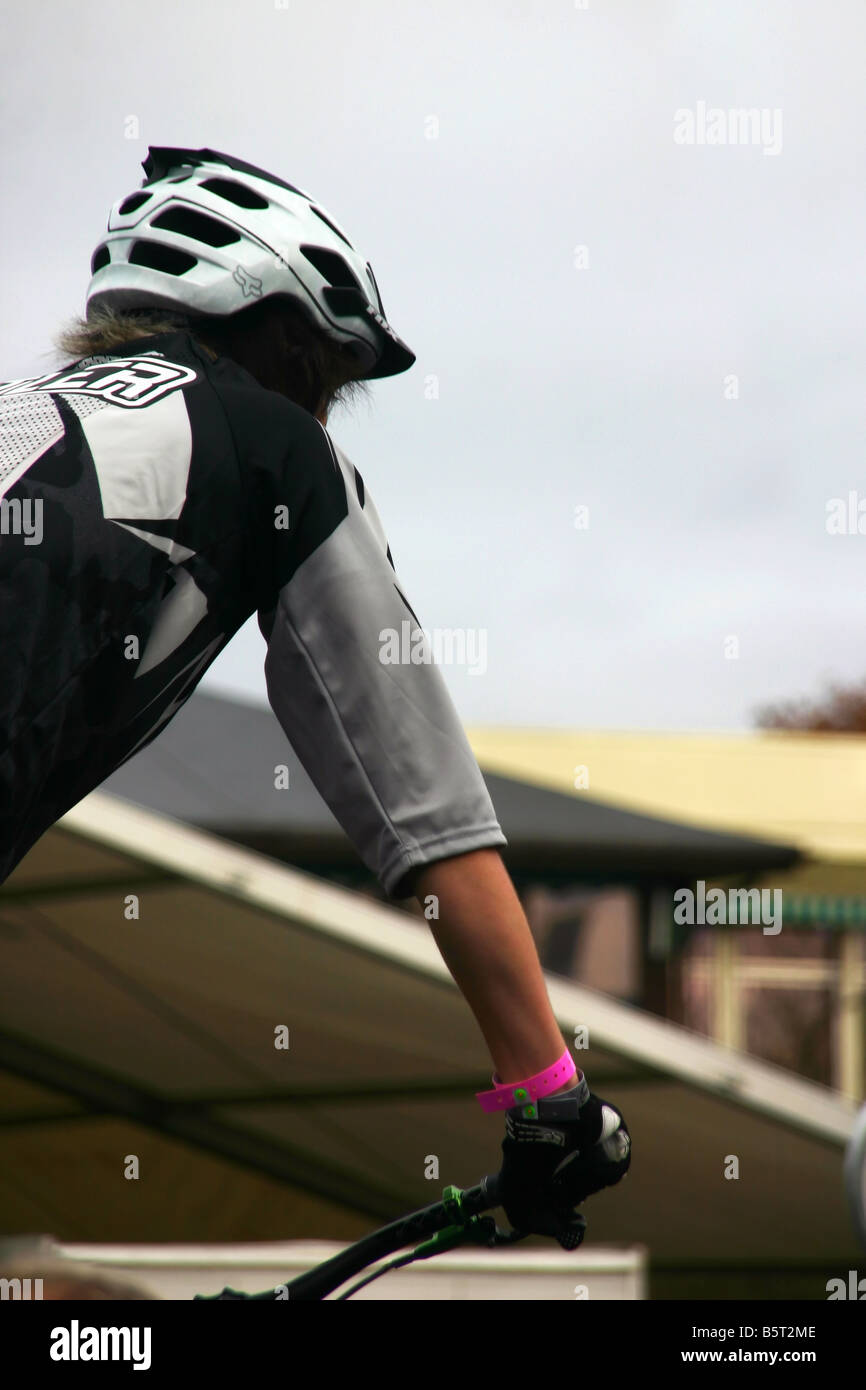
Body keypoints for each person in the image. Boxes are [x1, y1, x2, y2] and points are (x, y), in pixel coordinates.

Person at [0, 146, 630, 1251]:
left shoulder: (31, 415)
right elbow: (423, 804)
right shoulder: (272, 450)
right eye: (329, 376)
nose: (326, 414)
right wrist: (549, 1093)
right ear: (280, 334)